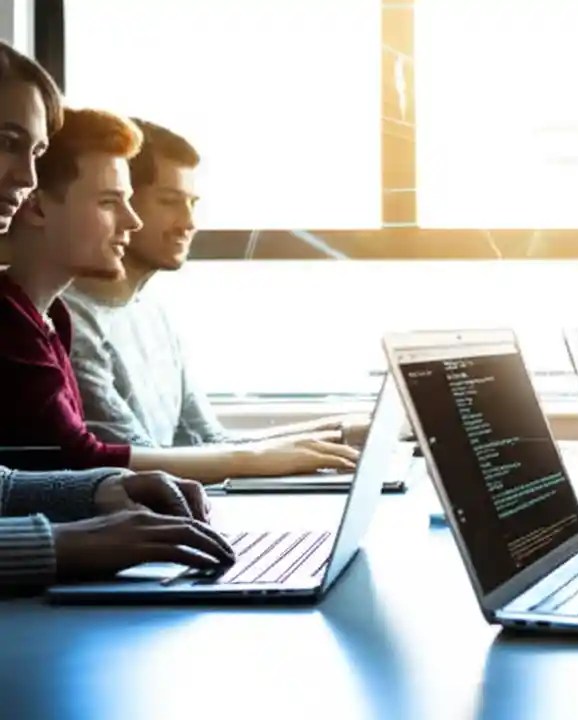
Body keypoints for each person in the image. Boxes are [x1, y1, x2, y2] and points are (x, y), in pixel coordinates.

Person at [0, 107, 358, 483]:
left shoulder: (56, 318)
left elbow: (203, 441)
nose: (131, 221)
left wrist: (341, 433)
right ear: (36, 206)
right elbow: (86, 460)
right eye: (109, 202)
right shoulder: (26, 323)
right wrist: (249, 460)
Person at [0, 41, 233, 587]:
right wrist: (60, 544)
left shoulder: (52, 316)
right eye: (8, 144)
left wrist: (99, 489)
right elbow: (72, 450)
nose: (26, 180)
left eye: (34, 154)